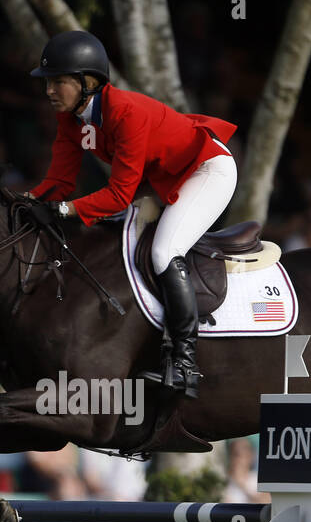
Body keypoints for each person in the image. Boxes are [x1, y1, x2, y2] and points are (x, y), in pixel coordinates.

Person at [23, 30, 238, 400]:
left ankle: (185, 361)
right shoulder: (71, 119)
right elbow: (58, 181)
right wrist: (25, 200)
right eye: (48, 82)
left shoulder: (125, 112)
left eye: (58, 82)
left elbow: (120, 194)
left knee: (163, 251)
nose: (49, 91)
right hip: (164, 179)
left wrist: (65, 209)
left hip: (207, 170)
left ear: (87, 82)